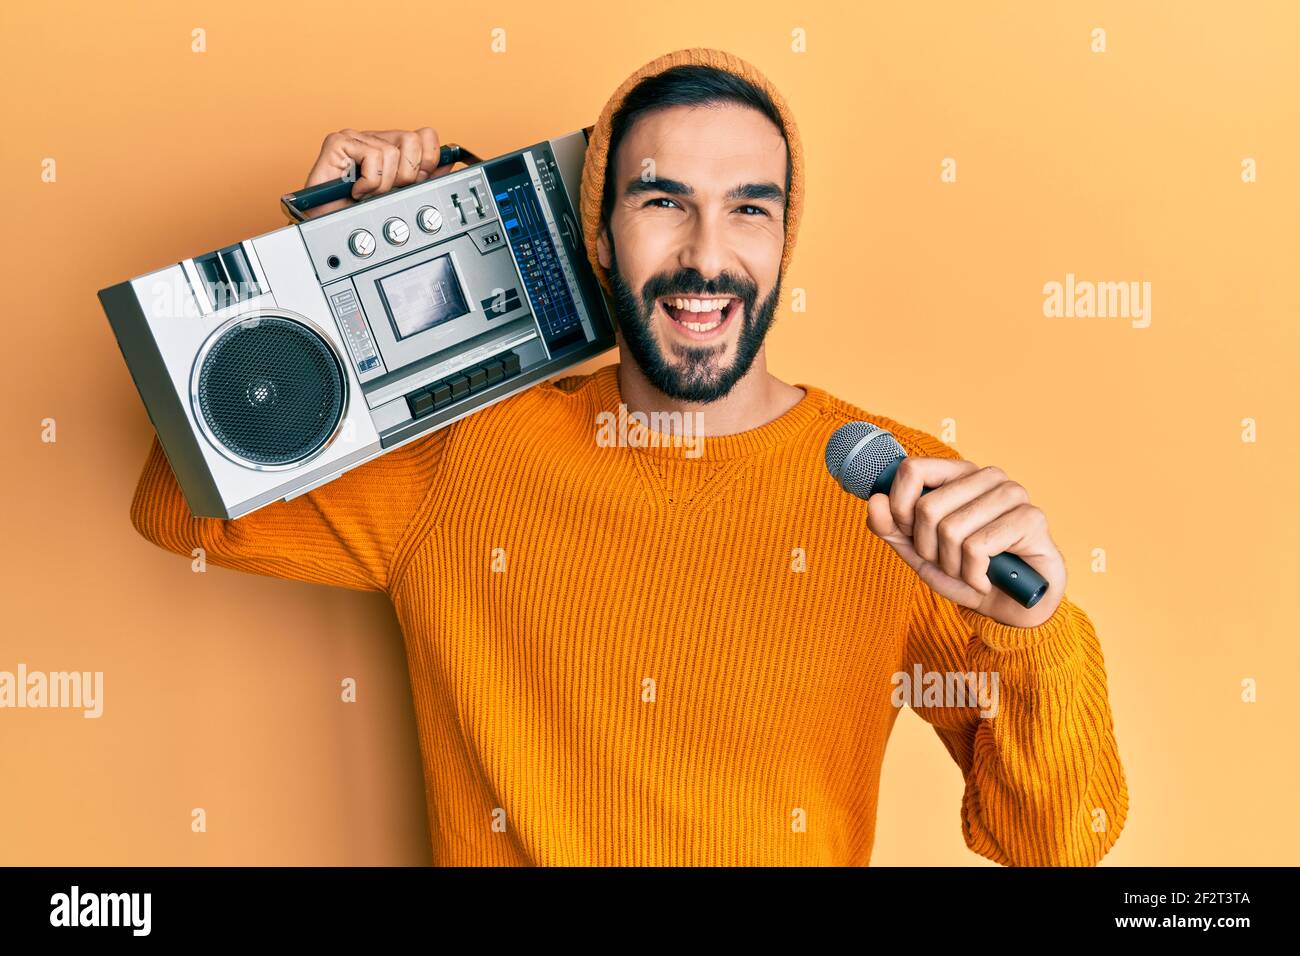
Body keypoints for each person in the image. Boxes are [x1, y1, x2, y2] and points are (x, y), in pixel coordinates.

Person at [129, 47, 1128, 866]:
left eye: (749, 207)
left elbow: (1054, 841)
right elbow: (186, 507)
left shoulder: (893, 487)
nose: (706, 250)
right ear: (598, 234)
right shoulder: (467, 452)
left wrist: (1030, 629)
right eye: (661, 201)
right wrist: (317, 277)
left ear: (784, 240)